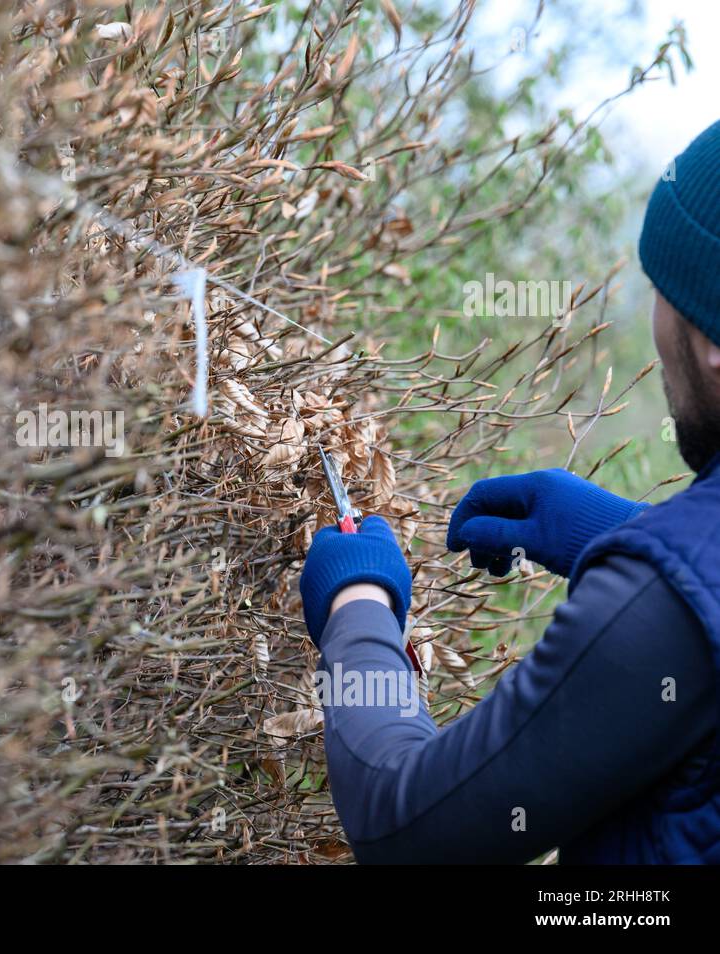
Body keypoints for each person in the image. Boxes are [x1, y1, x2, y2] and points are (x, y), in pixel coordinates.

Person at [298, 119, 720, 863]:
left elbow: (405, 826)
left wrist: (357, 609)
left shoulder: (662, 616)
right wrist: (626, 535)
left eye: (664, 290)